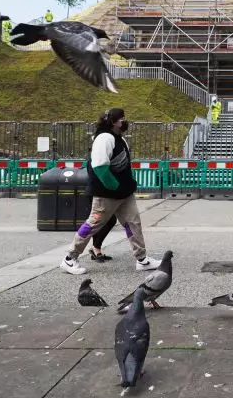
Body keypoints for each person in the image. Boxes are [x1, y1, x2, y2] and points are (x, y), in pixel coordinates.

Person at [60, 108, 161, 275]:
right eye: (122, 119)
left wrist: (122, 187)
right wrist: (114, 186)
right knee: (92, 224)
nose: (125, 122)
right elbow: (99, 167)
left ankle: (142, 259)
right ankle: (69, 258)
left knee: (132, 223)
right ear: (114, 122)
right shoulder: (105, 139)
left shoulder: (117, 138)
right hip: (107, 194)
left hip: (123, 193)